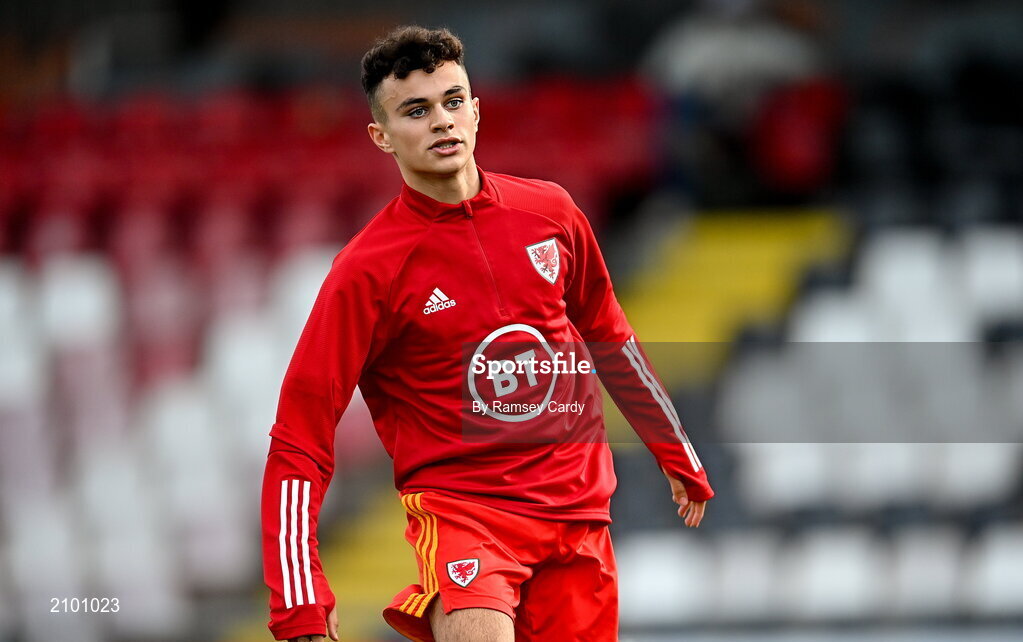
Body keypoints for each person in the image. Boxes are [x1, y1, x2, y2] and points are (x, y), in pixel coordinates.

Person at [261, 25, 713, 642]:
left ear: (475, 111)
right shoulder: (366, 271)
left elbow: (609, 333)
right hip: (467, 515)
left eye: (452, 102)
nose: (441, 122)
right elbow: (300, 433)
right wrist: (297, 594)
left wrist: (673, 447)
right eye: (416, 111)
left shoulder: (550, 212)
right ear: (381, 136)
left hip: (577, 513)